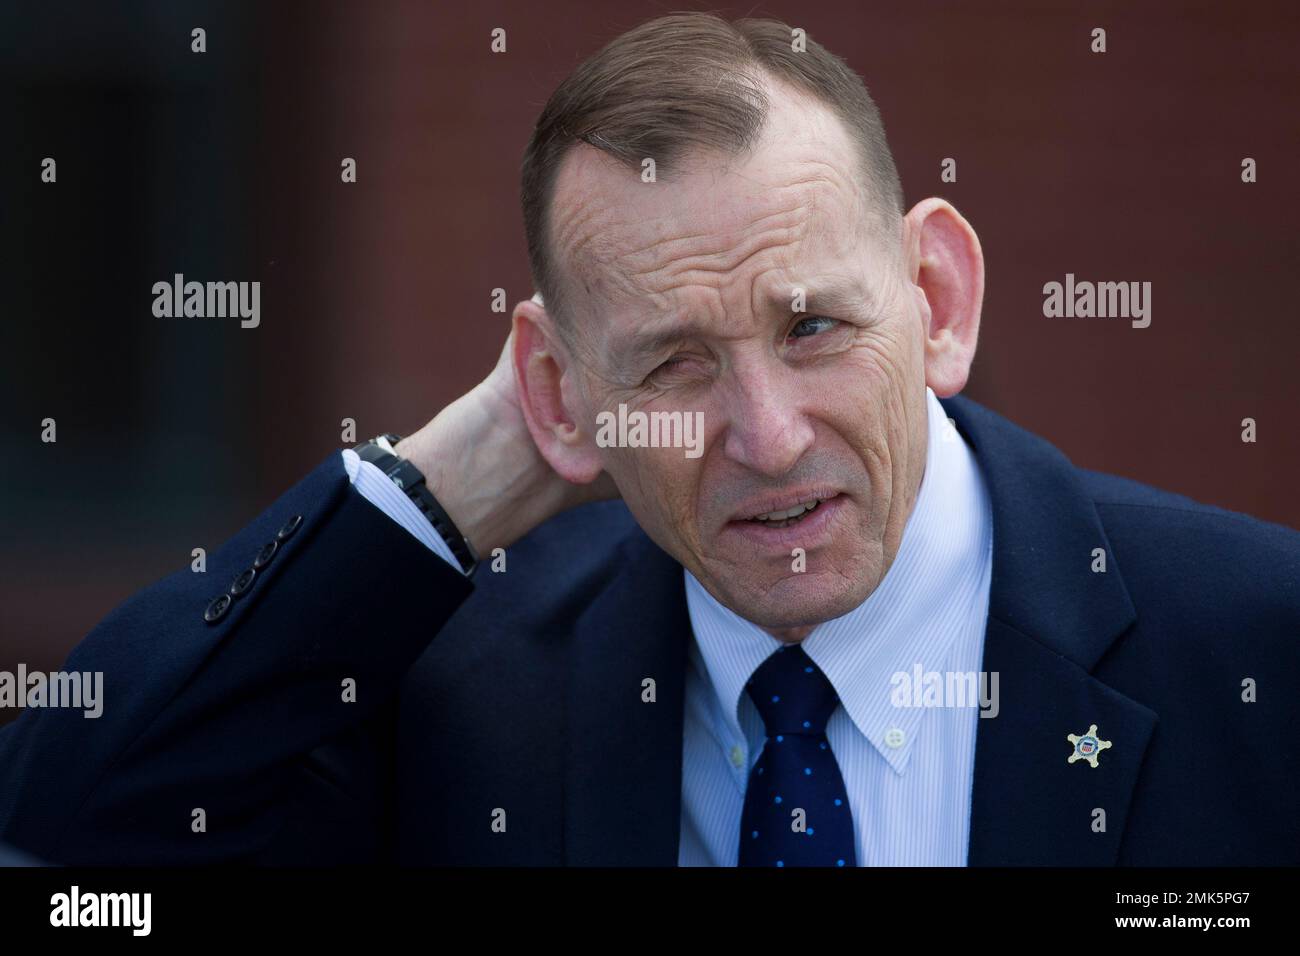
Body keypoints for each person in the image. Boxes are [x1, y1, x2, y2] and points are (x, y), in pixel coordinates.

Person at [1, 12, 1297, 867]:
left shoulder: (1257, 646)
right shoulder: (460, 691)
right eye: (675, 365)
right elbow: (75, 816)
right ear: (561, 393)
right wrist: (444, 488)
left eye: (812, 328)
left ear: (940, 301)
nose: (770, 437)